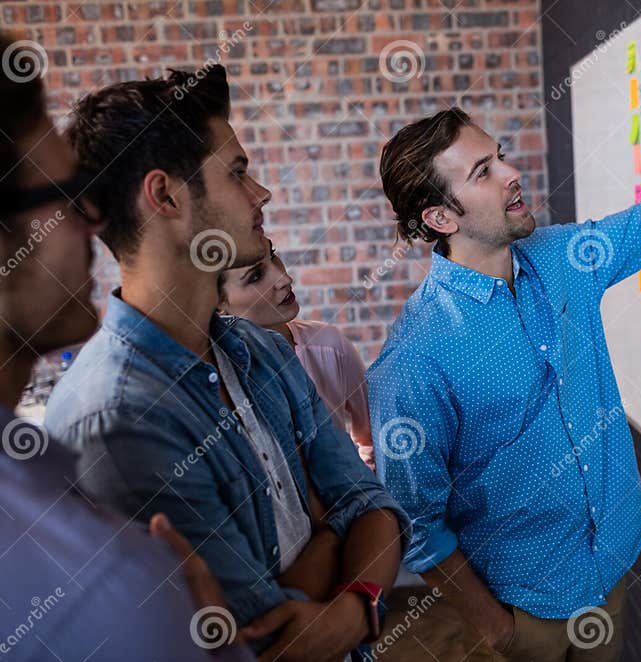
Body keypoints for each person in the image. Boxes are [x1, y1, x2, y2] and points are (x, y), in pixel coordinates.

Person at [368, 62, 641, 660]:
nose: (512, 173)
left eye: (501, 156)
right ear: (440, 217)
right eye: (484, 172)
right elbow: (418, 520)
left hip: (607, 574)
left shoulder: (562, 258)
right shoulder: (414, 360)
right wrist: (496, 626)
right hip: (519, 610)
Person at [44, 63, 409, 660]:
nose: (260, 193)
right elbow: (260, 635)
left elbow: (371, 505)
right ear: (166, 196)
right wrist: (329, 540)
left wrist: (355, 599)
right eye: (237, 173)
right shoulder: (120, 418)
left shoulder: (260, 348)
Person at [0, 34, 249, 661]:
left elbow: (362, 505)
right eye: (60, 198)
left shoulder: (252, 349)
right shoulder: (110, 585)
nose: (92, 219)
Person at [217, 237, 375, 469]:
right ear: (217, 303)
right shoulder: (217, 382)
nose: (284, 278)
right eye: (256, 276)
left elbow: (374, 439)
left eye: (273, 256)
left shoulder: (329, 345)